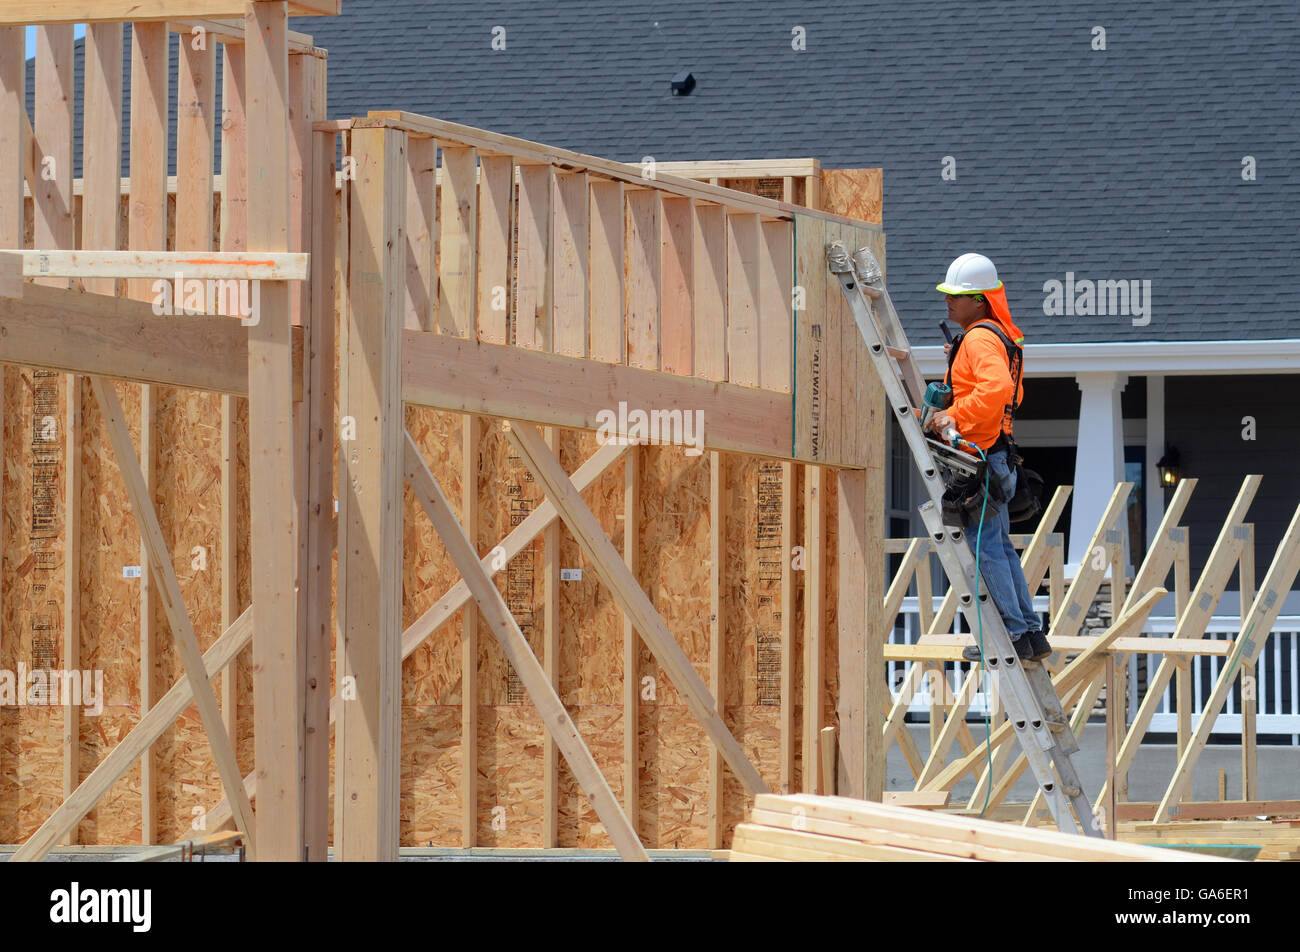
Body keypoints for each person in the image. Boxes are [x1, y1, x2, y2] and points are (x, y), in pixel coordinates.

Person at [925, 253, 1050, 663]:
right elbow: (1013, 394)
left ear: (980, 300)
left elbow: (995, 391)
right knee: (1000, 547)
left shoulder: (980, 338)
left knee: (988, 549)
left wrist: (951, 415)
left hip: (979, 460)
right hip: (998, 458)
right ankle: (1030, 633)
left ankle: (1013, 634)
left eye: (957, 297)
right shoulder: (995, 337)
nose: (948, 302)